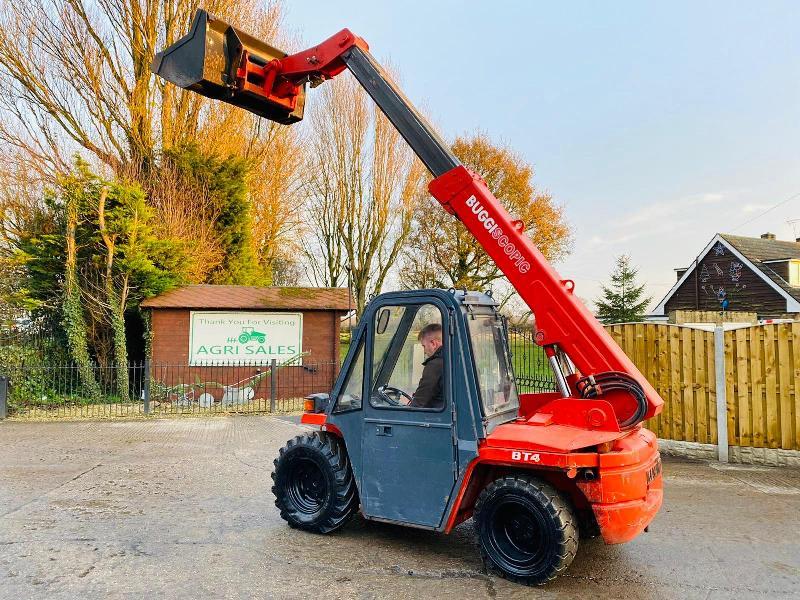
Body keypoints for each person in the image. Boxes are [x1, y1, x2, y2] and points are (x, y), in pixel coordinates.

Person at [410, 323, 444, 409]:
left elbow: (418, 403)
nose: (424, 351)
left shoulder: (435, 365)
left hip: (437, 419)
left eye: (424, 346)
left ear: (433, 343)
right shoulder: (455, 360)